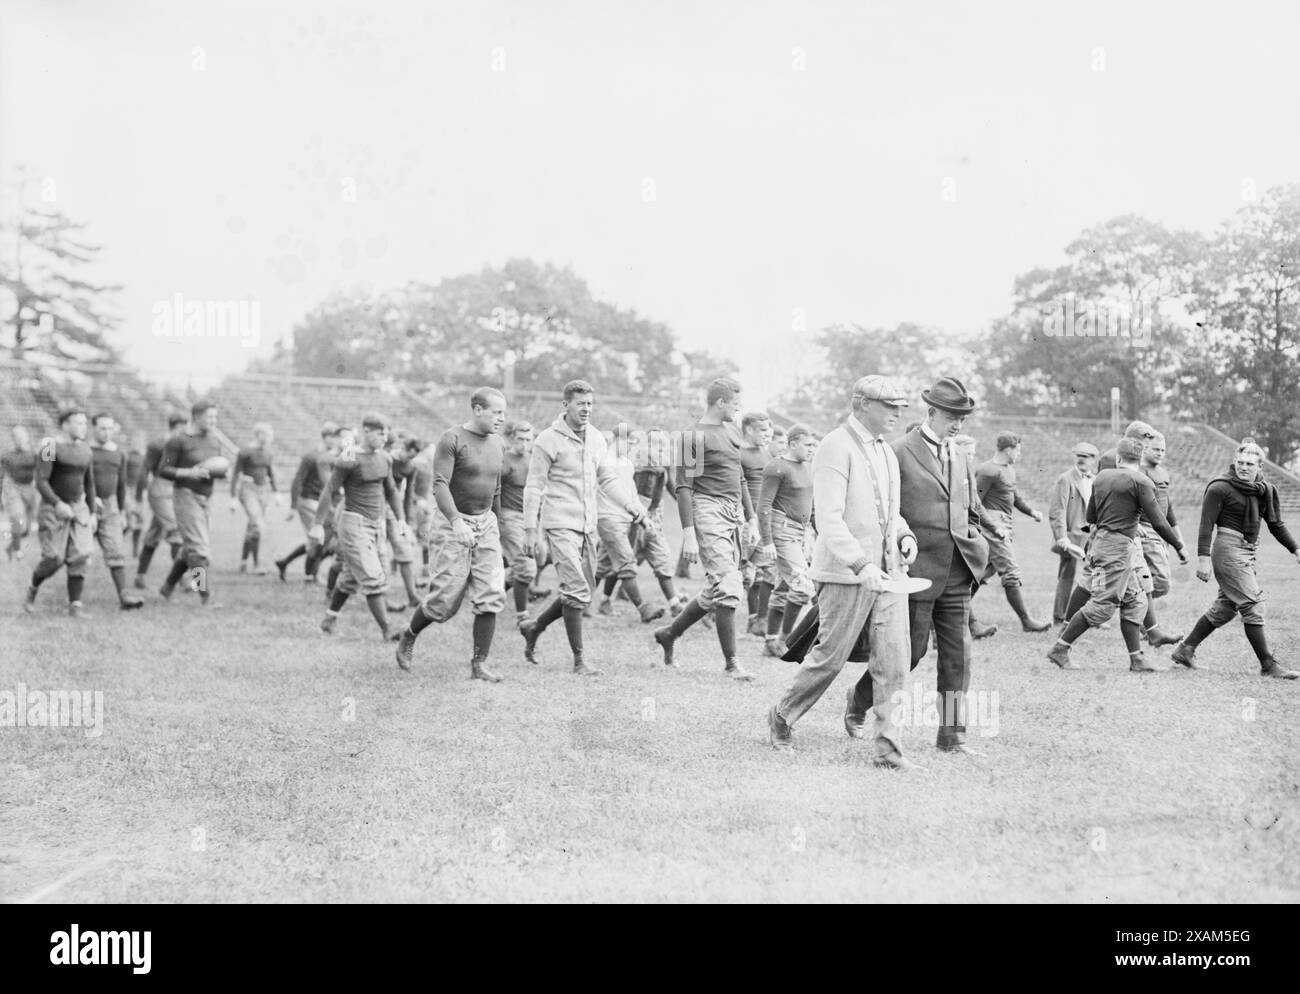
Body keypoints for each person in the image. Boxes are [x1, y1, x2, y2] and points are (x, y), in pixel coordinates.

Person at [767, 376, 918, 769]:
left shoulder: (886, 451)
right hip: (843, 575)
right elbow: (829, 519)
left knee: (894, 663)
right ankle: (782, 715)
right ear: (862, 403)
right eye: (889, 406)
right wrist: (860, 563)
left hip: (889, 576)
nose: (897, 414)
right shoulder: (835, 446)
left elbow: (891, 513)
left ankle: (888, 750)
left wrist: (904, 536)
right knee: (829, 659)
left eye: (900, 407)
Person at [854, 376, 1001, 755]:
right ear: (931, 412)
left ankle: (952, 737)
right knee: (911, 653)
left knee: (958, 657)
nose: (957, 425)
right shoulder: (898, 451)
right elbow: (886, 510)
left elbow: (969, 506)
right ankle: (858, 701)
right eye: (951, 417)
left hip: (958, 571)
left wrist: (978, 538)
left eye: (962, 419)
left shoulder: (961, 455)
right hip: (915, 572)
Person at [520, 380, 646, 676]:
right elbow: (534, 486)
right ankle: (579, 660)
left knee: (581, 592)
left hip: (588, 524)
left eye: (590, 403)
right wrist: (530, 530)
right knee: (576, 590)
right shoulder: (547, 440)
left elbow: (607, 479)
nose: (587, 409)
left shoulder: (597, 438)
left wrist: (630, 504)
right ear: (566, 405)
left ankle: (534, 627)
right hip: (559, 523)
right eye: (581, 403)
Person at [1046, 438, 1187, 672]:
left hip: (1103, 544)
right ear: (1140, 459)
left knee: (1134, 600)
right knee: (1102, 605)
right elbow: (1159, 522)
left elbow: (1091, 516)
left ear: (1119, 458)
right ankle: (1060, 648)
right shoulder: (1142, 481)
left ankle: (1137, 659)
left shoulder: (1101, 477)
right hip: (1116, 551)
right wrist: (1178, 545)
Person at [652, 377, 760, 681]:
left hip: (733, 512)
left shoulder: (731, 431)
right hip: (707, 509)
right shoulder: (692, 436)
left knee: (718, 587)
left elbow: (739, 478)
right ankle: (731, 664)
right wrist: (689, 534)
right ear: (720, 402)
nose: (738, 409)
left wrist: (751, 518)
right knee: (728, 584)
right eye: (735, 404)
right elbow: (684, 487)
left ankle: (669, 634)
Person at [396, 389, 508, 679]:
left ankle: (479, 665)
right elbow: (440, 484)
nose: (501, 418)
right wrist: (457, 521)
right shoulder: (452, 438)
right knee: (444, 601)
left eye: (504, 413)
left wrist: (500, 531)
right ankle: (409, 634)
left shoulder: (498, 443)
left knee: (491, 594)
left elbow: (496, 489)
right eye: (496, 412)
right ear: (478, 409)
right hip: (452, 524)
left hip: (487, 524)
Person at [1171, 440, 1300, 679]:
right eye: (1240, 463)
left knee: (1226, 607)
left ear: (1260, 466)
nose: (1243, 467)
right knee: (1252, 605)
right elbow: (1206, 525)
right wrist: (1203, 559)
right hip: (1227, 549)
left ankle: (1185, 649)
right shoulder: (1220, 487)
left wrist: (1295, 549)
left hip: (1248, 550)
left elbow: (1276, 524)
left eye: (1249, 464)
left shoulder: (1264, 490)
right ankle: (1268, 665)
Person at [311, 413, 407, 641]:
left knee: (352, 577)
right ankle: (387, 630)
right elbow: (329, 490)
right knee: (372, 577)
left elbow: (391, 490)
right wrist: (317, 524)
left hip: (377, 524)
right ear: (366, 431)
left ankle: (329, 619)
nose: (384, 438)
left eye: (386, 433)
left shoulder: (385, 458)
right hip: (354, 524)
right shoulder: (349, 457)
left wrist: (401, 519)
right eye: (380, 433)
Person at [22, 408, 98, 617]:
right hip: (53, 507)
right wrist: (57, 503)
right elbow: (41, 480)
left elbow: (90, 483)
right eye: (78, 423)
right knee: (54, 557)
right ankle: (33, 587)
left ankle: (75, 605)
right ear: (65, 425)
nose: (83, 427)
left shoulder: (86, 449)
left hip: (78, 507)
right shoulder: (49, 445)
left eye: (85, 423)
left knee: (82, 553)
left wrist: (91, 512)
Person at [973, 432, 1050, 632]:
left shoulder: (1008, 470)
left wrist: (1032, 512)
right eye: (1018, 450)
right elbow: (975, 502)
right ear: (1009, 450)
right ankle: (1026, 621)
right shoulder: (987, 471)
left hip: (1004, 524)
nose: (1019, 454)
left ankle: (957, 613)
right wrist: (992, 526)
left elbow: (1015, 497)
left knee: (981, 573)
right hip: (992, 525)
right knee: (1010, 571)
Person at [158, 400, 228, 607]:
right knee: (199, 550)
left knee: (190, 548)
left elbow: (216, 466)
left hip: (206, 498)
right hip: (186, 496)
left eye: (215, 417)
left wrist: (221, 472)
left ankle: (166, 588)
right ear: (196, 416)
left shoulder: (214, 440)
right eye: (209, 417)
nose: (213, 421)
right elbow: (164, 470)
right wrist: (190, 472)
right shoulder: (178, 440)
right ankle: (205, 596)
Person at [594, 429, 667, 624]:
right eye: (629, 442)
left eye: (634, 444)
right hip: (608, 518)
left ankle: (580, 602)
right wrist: (630, 508)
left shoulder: (626, 463)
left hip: (625, 518)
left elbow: (632, 493)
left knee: (603, 566)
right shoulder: (604, 461)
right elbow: (614, 491)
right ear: (617, 439)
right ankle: (643, 608)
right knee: (626, 562)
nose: (631, 447)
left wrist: (643, 517)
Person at [758, 424, 817, 656]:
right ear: (793, 444)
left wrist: (820, 532)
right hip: (782, 531)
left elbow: (810, 505)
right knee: (803, 586)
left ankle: (772, 642)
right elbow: (764, 505)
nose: (811, 449)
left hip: (802, 533)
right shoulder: (777, 467)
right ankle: (785, 641)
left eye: (813, 445)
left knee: (784, 587)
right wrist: (767, 541)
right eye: (807, 444)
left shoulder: (808, 467)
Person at [89, 413, 145, 610]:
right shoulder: (86, 451)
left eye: (110, 428)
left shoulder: (119, 453)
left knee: (116, 551)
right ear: (94, 429)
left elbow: (121, 484)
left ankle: (124, 597)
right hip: (86, 504)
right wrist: (89, 502)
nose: (106, 432)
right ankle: (74, 601)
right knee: (78, 553)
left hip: (111, 506)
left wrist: (121, 512)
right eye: (102, 428)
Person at [631, 427, 687, 616]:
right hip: (638, 519)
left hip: (653, 519)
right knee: (621, 561)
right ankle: (602, 599)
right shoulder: (642, 468)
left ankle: (674, 603)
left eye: (663, 444)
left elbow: (672, 486)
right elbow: (638, 499)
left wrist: (686, 503)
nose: (661, 447)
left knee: (660, 558)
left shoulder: (662, 466)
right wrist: (642, 520)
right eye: (655, 444)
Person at [1136, 431, 1184, 646]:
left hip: (1162, 531)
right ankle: (1135, 609)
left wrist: (1178, 539)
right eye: (1156, 449)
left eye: (1163, 450)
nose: (1160, 453)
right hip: (1147, 530)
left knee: (1155, 583)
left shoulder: (1163, 472)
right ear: (1145, 449)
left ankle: (1141, 618)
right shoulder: (1140, 472)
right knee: (1161, 582)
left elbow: (1168, 506)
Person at [277, 422, 340, 581]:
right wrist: (293, 507)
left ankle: (286, 562)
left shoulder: (334, 457)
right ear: (325, 437)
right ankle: (311, 575)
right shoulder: (311, 457)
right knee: (318, 537)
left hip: (322, 502)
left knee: (328, 537)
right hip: (308, 500)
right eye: (334, 437)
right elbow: (297, 480)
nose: (337, 440)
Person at [133, 413, 186, 589]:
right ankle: (183, 580)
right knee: (176, 531)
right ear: (178, 426)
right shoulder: (158, 444)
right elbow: (144, 470)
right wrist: (138, 499)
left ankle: (140, 577)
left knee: (154, 534)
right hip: (160, 489)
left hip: (175, 490)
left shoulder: (182, 444)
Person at [1047, 442, 1098, 624]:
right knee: (1067, 577)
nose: (1081, 459)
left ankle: (1092, 615)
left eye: (1086, 456)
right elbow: (1057, 510)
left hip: (1092, 536)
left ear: (1093, 460)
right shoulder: (1065, 479)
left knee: (1095, 576)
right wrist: (1062, 537)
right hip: (1072, 538)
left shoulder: (1096, 480)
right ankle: (1060, 617)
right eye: (1079, 456)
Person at [739, 412, 776, 636]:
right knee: (742, 573)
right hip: (745, 521)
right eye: (763, 429)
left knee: (764, 571)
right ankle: (709, 608)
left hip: (764, 520)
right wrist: (748, 517)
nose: (767, 434)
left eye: (769, 429)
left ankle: (757, 620)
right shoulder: (738, 454)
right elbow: (738, 488)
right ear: (749, 430)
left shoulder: (766, 453)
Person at [231, 422, 278, 575]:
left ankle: (244, 562)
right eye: (268, 434)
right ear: (259, 435)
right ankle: (258, 564)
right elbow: (235, 474)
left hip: (263, 491)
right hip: (248, 490)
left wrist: (276, 492)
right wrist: (233, 497)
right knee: (258, 525)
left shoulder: (268, 452)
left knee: (253, 526)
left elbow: (270, 473)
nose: (271, 438)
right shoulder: (245, 451)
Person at [2, 425, 39, 561]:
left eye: (22, 436)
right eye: (16, 437)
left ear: (26, 437)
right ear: (13, 439)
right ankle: (17, 551)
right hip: (13, 488)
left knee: (26, 529)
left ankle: (10, 547)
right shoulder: (7, 455)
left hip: (29, 488)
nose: (19, 439)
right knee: (17, 519)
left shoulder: (34, 453)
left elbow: (46, 467)